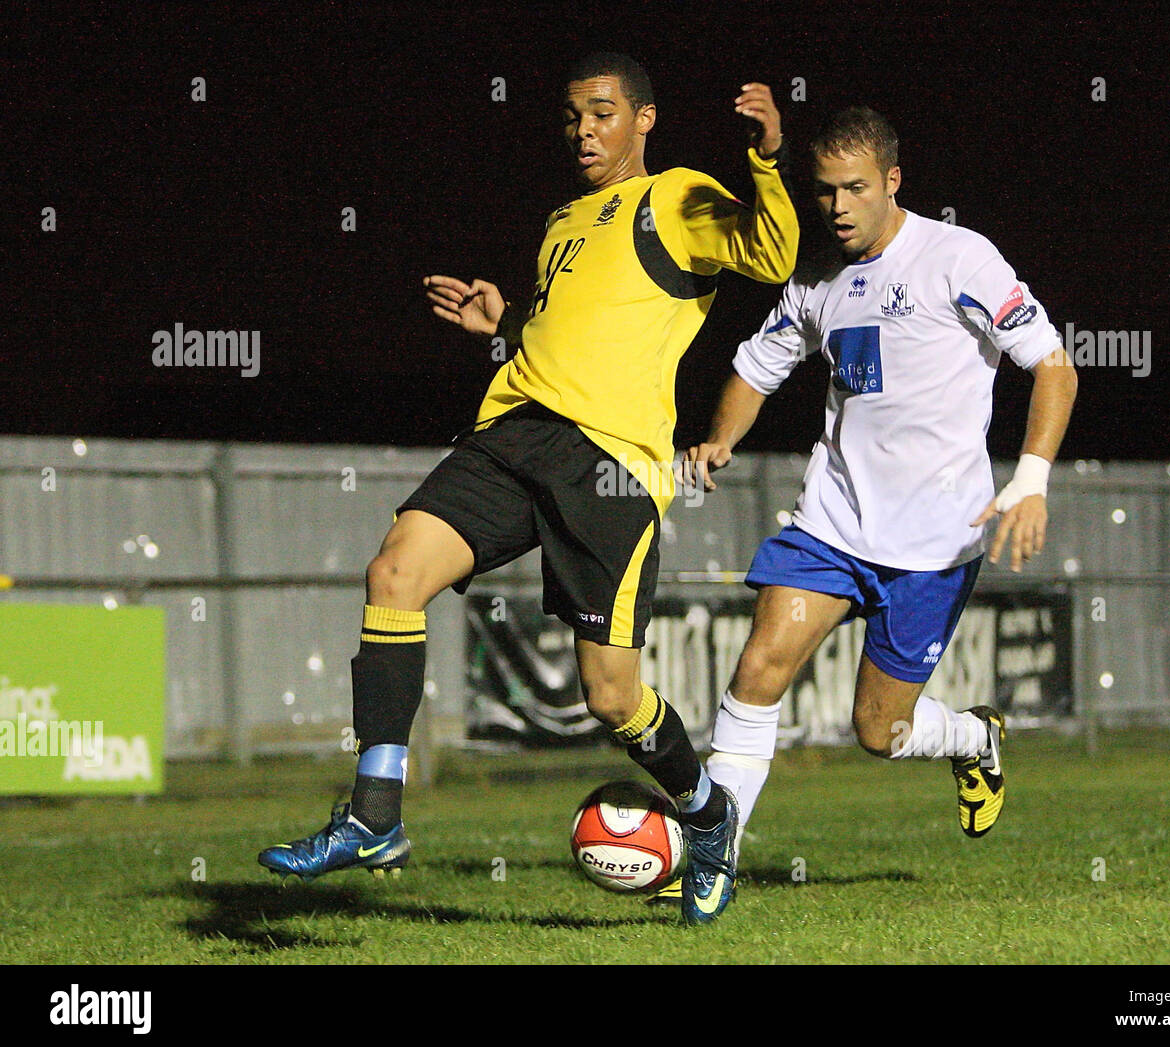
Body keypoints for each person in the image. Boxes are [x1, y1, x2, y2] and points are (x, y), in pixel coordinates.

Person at [258, 52, 799, 925]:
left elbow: (771, 255)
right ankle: (375, 814)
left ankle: (705, 815)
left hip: (609, 462)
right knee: (394, 574)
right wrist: (502, 322)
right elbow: (565, 332)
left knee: (610, 697)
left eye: (603, 113)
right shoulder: (560, 222)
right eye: (574, 117)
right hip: (511, 432)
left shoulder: (675, 199)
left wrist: (767, 158)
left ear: (644, 121)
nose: (584, 130)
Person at [677, 104, 1078, 875]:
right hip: (831, 523)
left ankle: (972, 738)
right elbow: (756, 370)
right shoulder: (815, 276)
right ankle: (711, 861)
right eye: (824, 191)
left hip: (934, 539)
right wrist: (722, 437)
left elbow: (1053, 366)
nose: (836, 208)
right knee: (761, 665)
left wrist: (1030, 483)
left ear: (892, 182)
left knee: (878, 731)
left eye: (854, 189)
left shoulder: (959, 258)